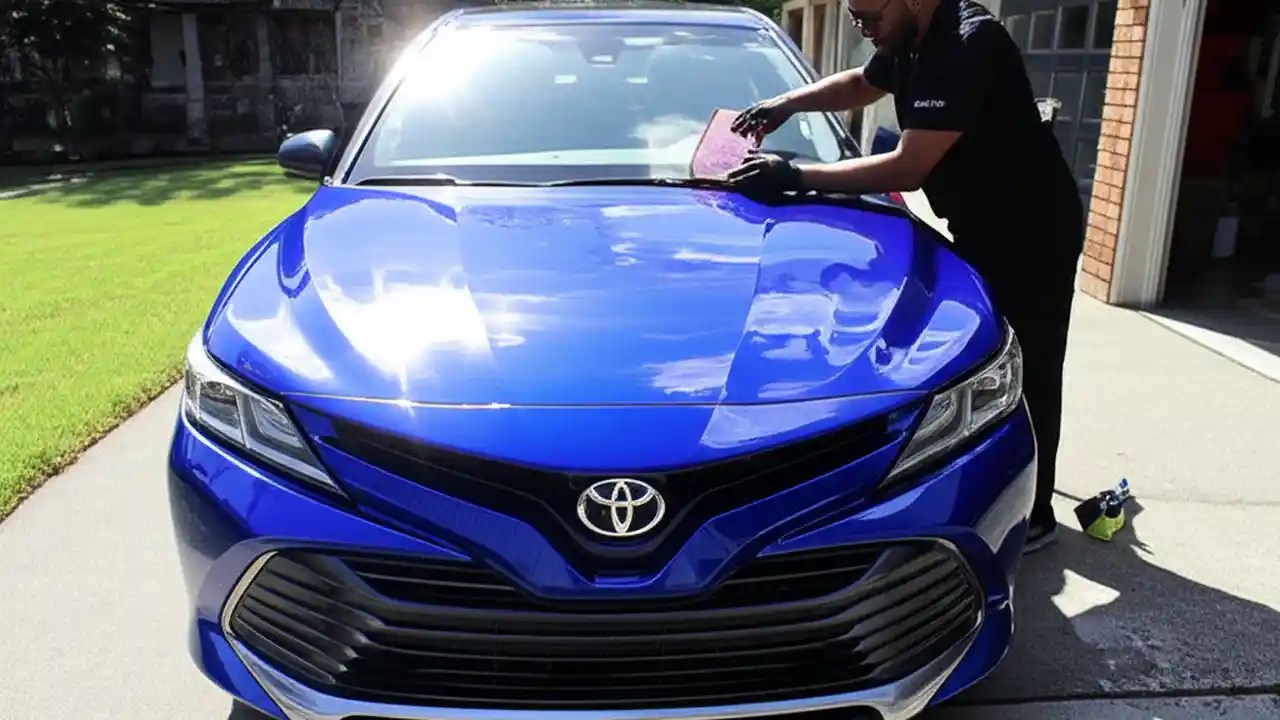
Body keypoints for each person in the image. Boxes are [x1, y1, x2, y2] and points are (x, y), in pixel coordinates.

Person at [729, 0, 1083, 553]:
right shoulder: (906, 41)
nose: (859, 23)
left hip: (1032, 228)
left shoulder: (966, 46)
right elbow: (861, 84)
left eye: (869, 12)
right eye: (853, 12)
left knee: (1030, 364)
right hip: (979, 219)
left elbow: (906, 165)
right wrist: (786, 105)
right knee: (977, 362)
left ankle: (1034, 515)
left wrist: (794, 174)